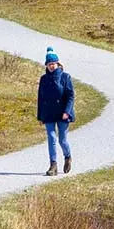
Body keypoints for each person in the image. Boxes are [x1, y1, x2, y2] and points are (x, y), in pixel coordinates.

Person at [36, 46, 75, 176]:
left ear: (58, 64)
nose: (51, 66)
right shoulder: (44, 79)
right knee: (51, 137)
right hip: (48, 113)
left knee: (62, 140)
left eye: (53, 64)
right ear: (46, 65)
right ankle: (53, 165)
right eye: (49, 64)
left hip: (63, 113)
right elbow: (41, 98)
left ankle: (67, 156)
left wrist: (67, 112)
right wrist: (40, 116)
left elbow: (70, 96)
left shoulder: (65, 77)